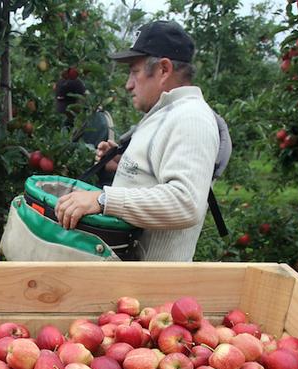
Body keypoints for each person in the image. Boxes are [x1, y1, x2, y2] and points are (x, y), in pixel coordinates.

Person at [53, 20, 229, 262]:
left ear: (164, 70)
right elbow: (157, 177)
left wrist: (102, 199)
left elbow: (186, 202)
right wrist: (125, 164)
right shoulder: (165, 113)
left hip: (153, 287)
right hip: (132, 280)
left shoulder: (191, 118)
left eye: (134, 71)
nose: (128, 84)